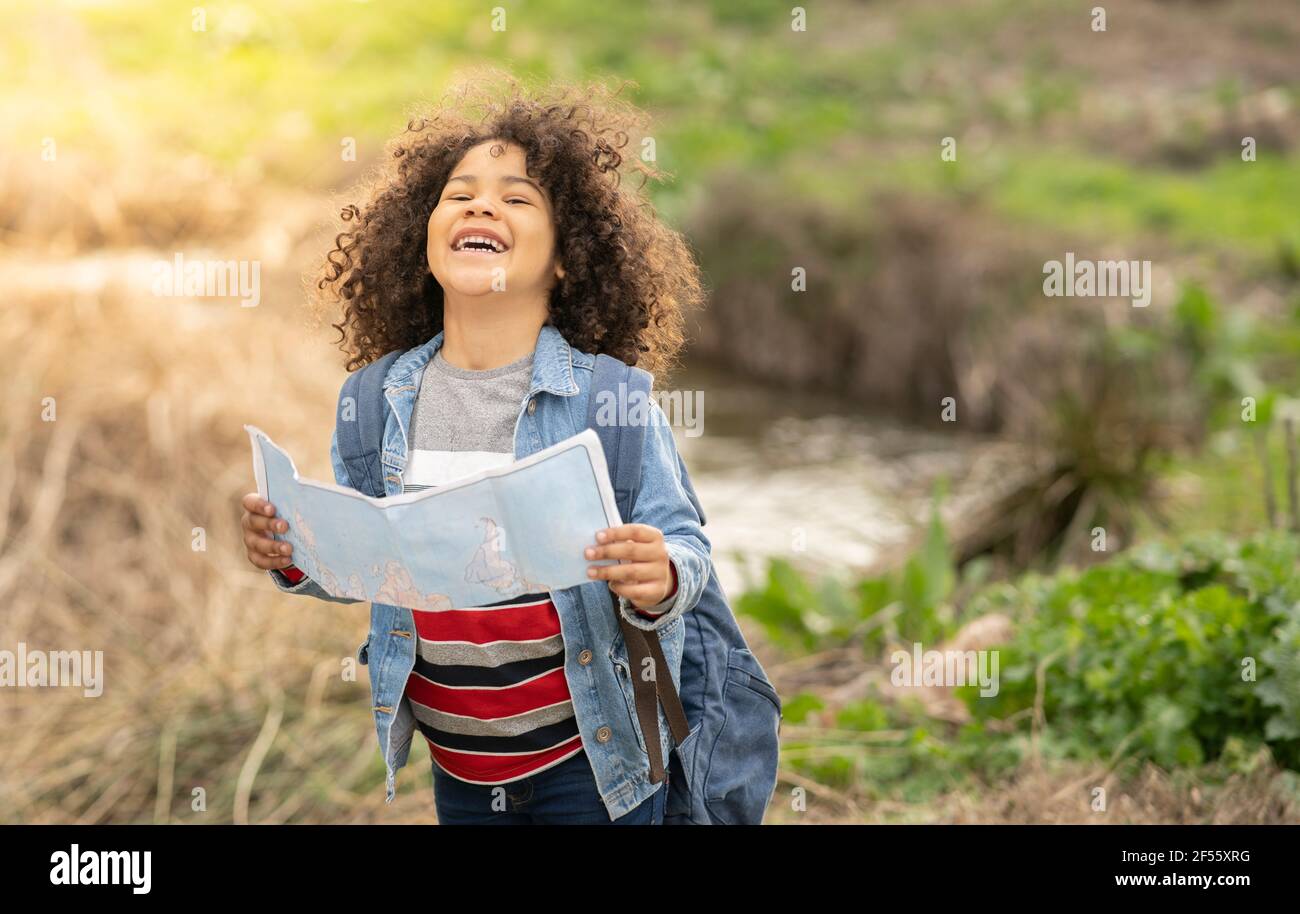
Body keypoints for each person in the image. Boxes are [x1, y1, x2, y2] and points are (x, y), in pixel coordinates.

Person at [240, 70, 710, 824]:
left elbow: (685, 544)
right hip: (458, 771)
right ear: (420, 237)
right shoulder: (374, 402)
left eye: (517, 198)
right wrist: (291, 551)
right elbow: (369, 562)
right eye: (458, 194)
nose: (482, 203)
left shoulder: (610, 398)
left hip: (595, 767)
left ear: (565, 259)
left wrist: (658, 575)